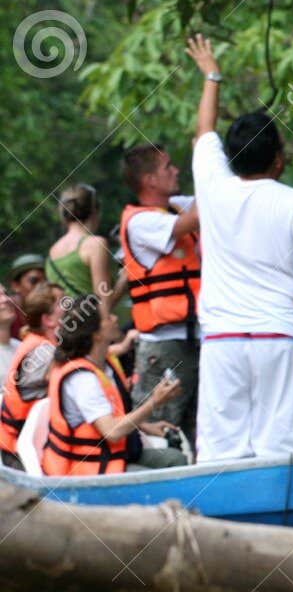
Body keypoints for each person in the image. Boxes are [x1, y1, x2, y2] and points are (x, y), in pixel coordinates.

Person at [184, 34, 293, 462]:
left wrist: (210, 75)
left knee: (219, 452)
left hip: (221, 340)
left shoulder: (213, 187)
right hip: (281, 336)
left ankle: (222, 523)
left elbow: (203, 133)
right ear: (278, 159)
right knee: (286, 450)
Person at [40, 294, 185, 476]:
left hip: (113, 454)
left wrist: (145, 426)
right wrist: (154, 402)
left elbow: (111, 414)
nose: (115, 318)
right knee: (160, 476)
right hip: (89, 468)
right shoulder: (82, 379)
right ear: (97, 334)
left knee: (176, 459)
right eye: (109, 317)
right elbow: (112, 432)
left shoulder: (105, 363)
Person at [120, 142, 202, 442]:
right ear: (150, 180)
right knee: (161, 432)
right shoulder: (141, 221)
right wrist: (207, 168)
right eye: (168, 166)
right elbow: (198, 216)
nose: (176, 170)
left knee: (198, 432)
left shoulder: (177, 204)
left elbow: (218, 201)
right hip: (164, 348)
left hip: (194, 338)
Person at [0, 283, 66, 469]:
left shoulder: (19, 344)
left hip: (37, 437)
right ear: (47, 319)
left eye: (5, 293)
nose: (6, 299)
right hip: (18, 448)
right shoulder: (39, 351)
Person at [46, 185, 116, 319]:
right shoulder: (95, 244)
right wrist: (124, 279)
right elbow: (103, 302)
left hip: (66, 330)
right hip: (90, 330)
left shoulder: (52, 252)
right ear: (94, 211)